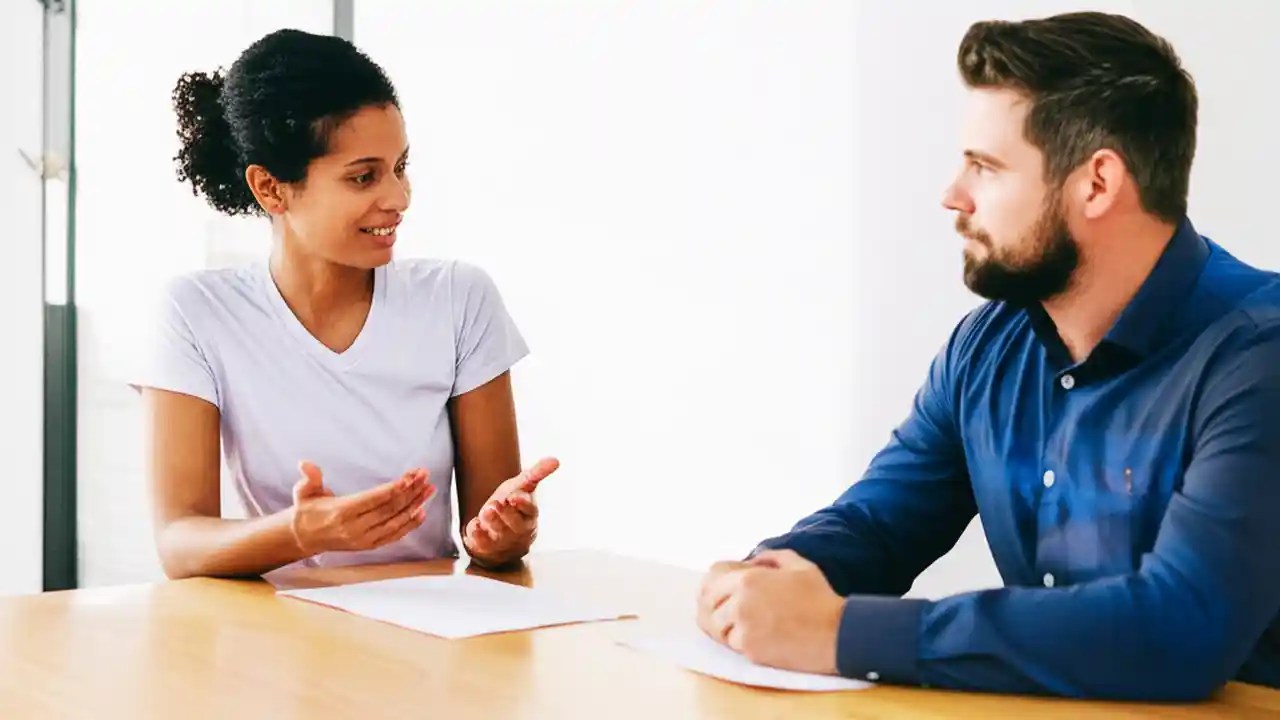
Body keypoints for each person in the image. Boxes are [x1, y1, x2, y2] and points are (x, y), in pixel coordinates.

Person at [697, 12, 1280, 701]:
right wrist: (763, 579)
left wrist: (840, 634)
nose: (954, 195)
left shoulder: (1258, 355)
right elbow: (880, 524)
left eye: (985, 166)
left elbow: (1180, 629)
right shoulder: (987, 347)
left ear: (1096, 183)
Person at [136, 29, 557, 580]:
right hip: (282, 632)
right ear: (270, 188)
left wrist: (504, 534)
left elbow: (489, 533)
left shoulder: (459, 299)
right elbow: (179, 542)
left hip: (436, 630)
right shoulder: (197, 313)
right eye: (364, 177)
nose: (399, 198)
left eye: (400, 167)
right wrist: (299, 531)